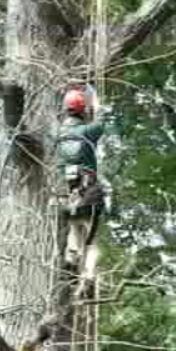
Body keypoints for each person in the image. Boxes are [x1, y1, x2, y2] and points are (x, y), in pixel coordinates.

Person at [55, 86, 115, 279]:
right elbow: (102, 121)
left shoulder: (58, 135)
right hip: (88, 190)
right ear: (83, 111)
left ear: (65, 110)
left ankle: (71, 261)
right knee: (91, 238)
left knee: (74, 225)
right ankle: (87, 275)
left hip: (68, 192)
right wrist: (97, 105)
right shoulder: (88, 130)